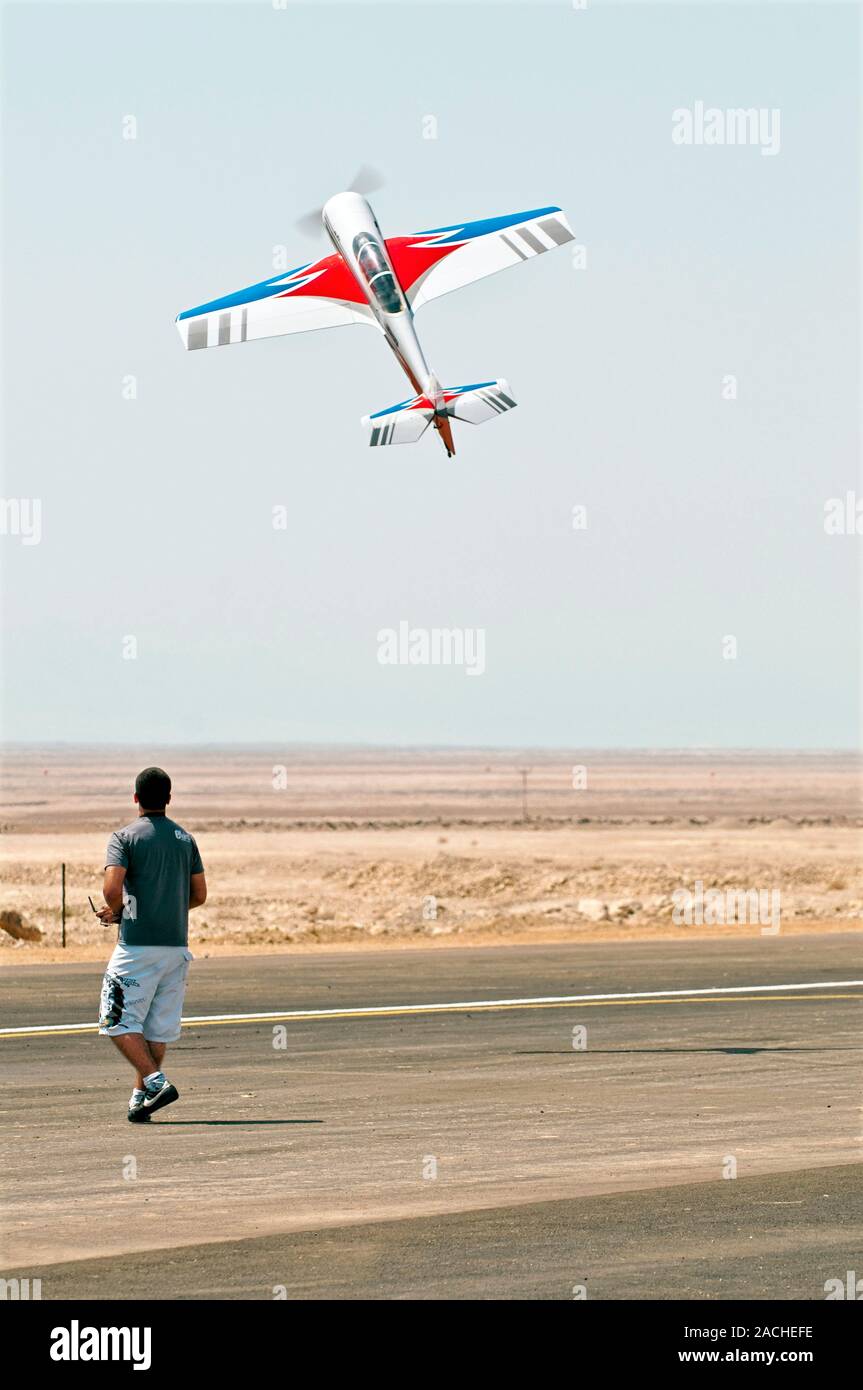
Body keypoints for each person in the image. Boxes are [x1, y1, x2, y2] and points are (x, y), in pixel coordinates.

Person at [96, 767, 206, 1122]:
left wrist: (118, 911)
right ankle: (139, 1098)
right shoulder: (185, 839)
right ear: (169, 799)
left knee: (116, 1020)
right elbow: (199, 895)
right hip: (176, 948)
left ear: (135, 798)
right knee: (156, 1028)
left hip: (137, 948)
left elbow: (112, 890)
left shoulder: (125, 837)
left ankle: (156, 1082)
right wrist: (166, 907)